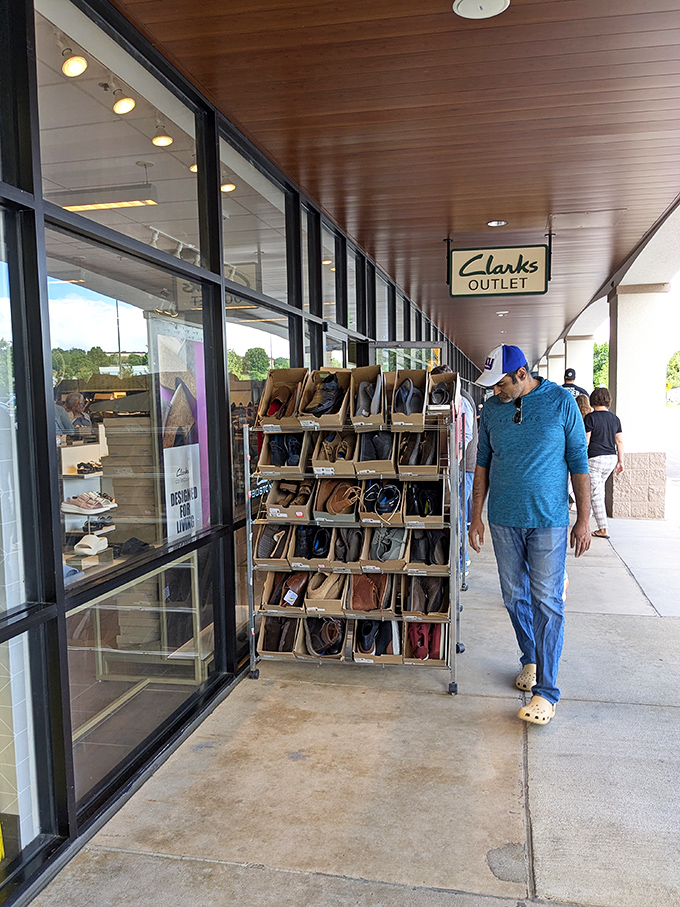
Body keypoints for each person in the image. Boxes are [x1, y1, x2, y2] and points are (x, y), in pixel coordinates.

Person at [468, 344, 591, 726]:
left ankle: (547, 693)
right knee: (513, 596)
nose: (495, 392)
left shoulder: (561, 403)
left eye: (501, 384)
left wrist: (584, 518)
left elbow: (578, 463)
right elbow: (482, 465)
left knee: (548, 602)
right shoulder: (491, 410)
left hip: (549, 521)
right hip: (504, 519)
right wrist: (477, 518)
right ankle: (531, 658)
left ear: (522, 374)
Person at [431, 364, 477, 523]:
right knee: (456, 512)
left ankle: (459, 549)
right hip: (457, 465)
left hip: (463, 466)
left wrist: (454, 461)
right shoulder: (453, 397)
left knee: (457, 514)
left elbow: (466, 434)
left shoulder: (461, 399)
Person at [584, 387, 624, 539]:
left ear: (593, 399)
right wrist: (621, 461)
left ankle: (603, 528)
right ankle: (589, 519)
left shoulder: (590, 418)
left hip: (594, 458)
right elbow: (619, 441)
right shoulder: (615, 419)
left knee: (596, 494)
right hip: (610, 459)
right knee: (597, 489)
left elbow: (586, 441)